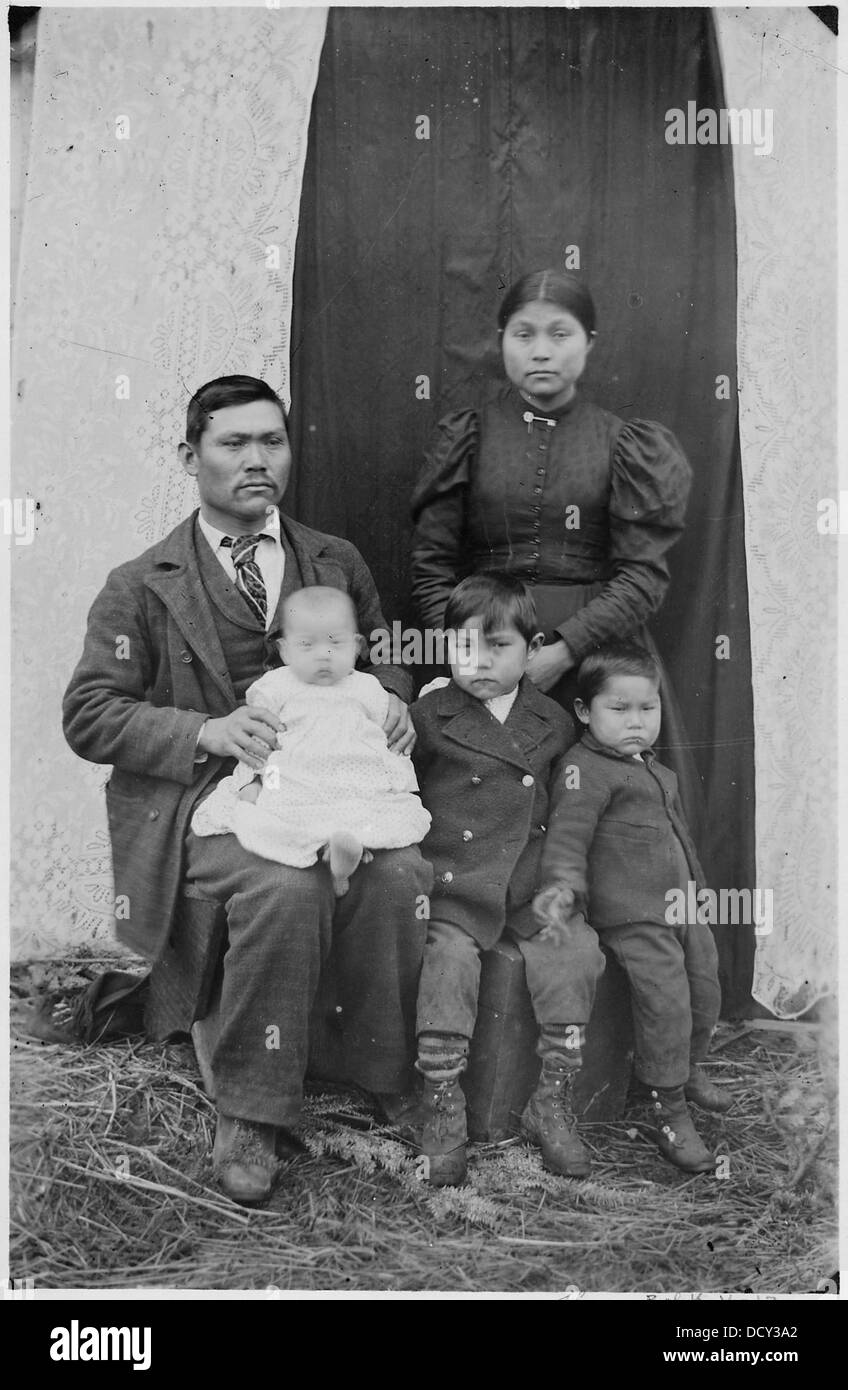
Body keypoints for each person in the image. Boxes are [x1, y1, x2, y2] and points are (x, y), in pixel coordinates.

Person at [63, 375, 432, 1204]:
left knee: (400, 875)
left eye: (273, 441)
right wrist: (204, 732)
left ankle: (381, 1069)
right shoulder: (142, 581)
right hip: (212, 804)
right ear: (191, 457)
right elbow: (89, 714)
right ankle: (252, 1108)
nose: (257, 459)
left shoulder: (333, 559)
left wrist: (397, 703)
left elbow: (385, 653)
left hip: (332, 788)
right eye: (234, 443)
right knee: (284, 887)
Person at [410, 268, 703, 834]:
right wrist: (475, 657)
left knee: (604, 829)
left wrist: (563, 653)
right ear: (501, 340)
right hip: (486, 656)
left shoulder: (625, 444)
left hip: (593, 663)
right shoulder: (466, 436)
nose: (541, 351)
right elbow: (430, 569)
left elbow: (642, 576)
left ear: (590, 343)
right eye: (523, 334)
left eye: (560, 334)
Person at [409, 571, 605, 1187]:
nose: (482, 662)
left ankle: (553, 1096)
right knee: (448, 962)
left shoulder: (553, 722)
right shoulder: (427, 716)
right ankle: (441, 1102)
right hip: (453, 884)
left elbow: (567, 810)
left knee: (575, 954)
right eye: (465, 647)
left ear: (532, 647)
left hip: (527, 885)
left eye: (500, 647)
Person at [534, 642, 732, 1175]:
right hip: (633, 915)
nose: (635, 723)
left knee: (705, 984)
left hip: (681, 906)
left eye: (648, 709)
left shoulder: (656, 771)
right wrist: (560, 891)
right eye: (618, 710)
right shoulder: (583, 771)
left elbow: (678, 841)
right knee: (665, 998)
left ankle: (686, 1066)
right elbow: (568, 841)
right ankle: (666, 1106)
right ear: (583, 711)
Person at [191, 585, 431, 894]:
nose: (323, 655)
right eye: (307, 645)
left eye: (336, 643)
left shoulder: (368, 688)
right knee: (276, 812)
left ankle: (350, 849)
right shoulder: (276, 687)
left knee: (370, 812)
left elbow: (389, 741)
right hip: (294, 777)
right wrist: (253, 782)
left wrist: (400, 782)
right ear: (285, 651)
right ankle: (324, 852)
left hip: (353, 779)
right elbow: (260, 741)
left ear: (357, 647)